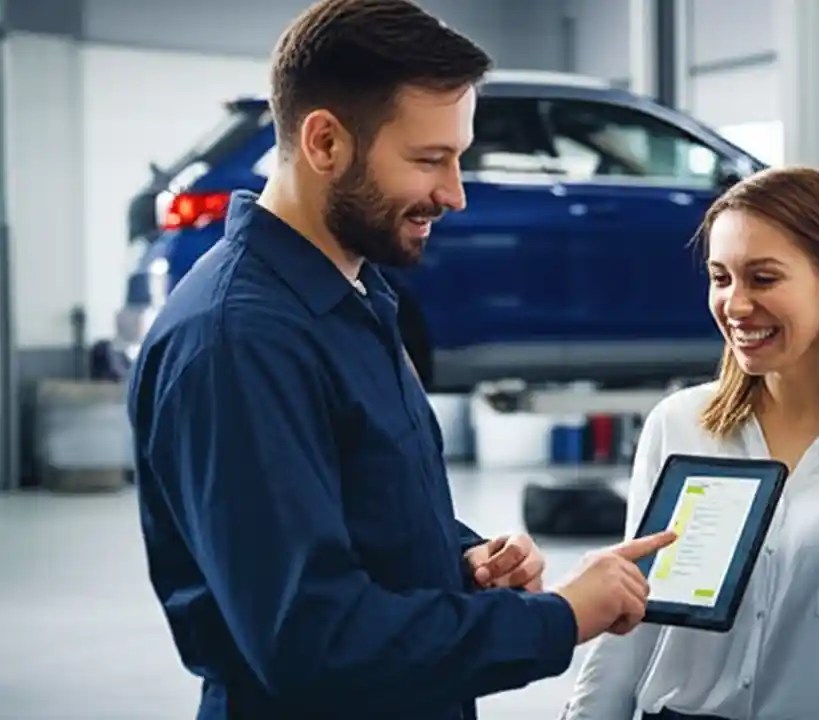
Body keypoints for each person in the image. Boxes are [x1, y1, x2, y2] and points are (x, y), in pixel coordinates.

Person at [125, 2, 674, 718]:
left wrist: (464, 561)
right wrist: (562, 618)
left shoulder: (354, 296)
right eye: (428, 159)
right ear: (326, 142)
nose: (455, 193)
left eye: (458, 157)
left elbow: (350, 508)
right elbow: (314, 641)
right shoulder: (239, 343)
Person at [561, 166, 819, 720]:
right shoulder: (679, 425)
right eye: (720, 277)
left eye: (764, 278)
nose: (736, 304)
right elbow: (630, 622)